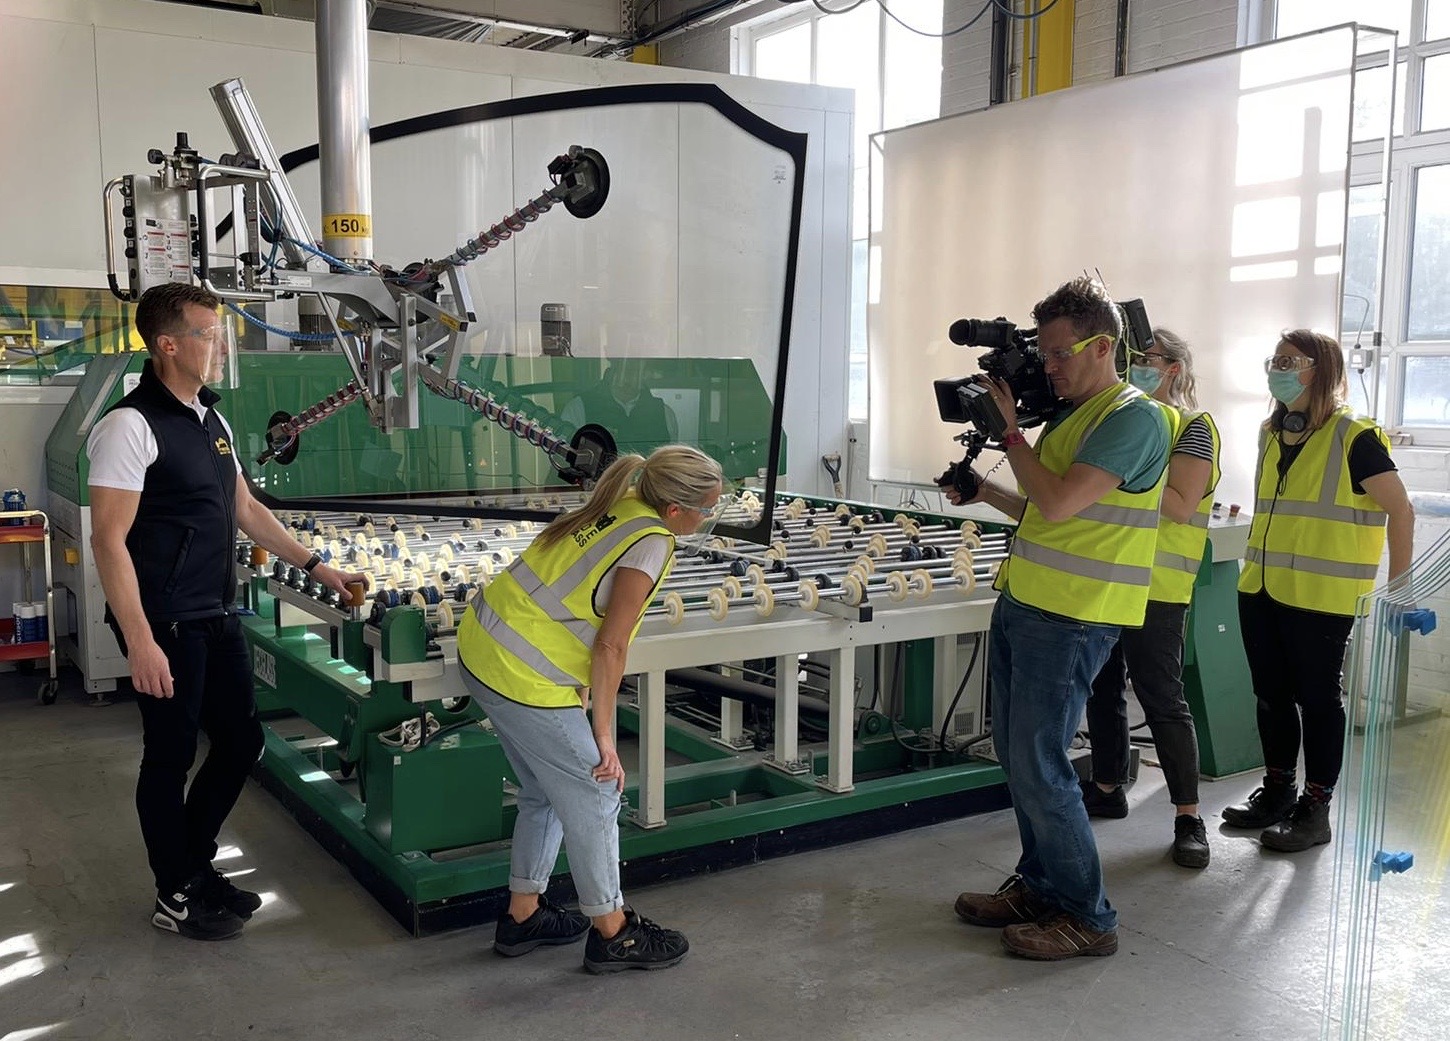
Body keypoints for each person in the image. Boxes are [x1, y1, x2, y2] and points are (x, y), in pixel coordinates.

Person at [88, 282, 364, 941]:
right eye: (209, 334)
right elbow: (107, 540)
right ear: (168, 344)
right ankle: (176, 892)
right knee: (170, 756)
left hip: (216, 612)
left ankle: (191, 864)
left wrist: (318, 566)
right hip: (165, 622)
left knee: (242, 741)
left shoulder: (211, 421)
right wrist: (140, 639)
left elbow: (245, 508)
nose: (220, 346)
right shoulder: (130, 426)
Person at [946, 277, 1171, 960]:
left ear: (1103, 346)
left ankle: (1087, 914)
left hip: (1074, 616)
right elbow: (1045, 510)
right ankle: (1039, 884)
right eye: (1042, 353)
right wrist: (985, 489)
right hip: (1027, 602)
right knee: (1018, 758)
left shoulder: (1133, 418)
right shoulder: (1073, 417)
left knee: (1042, 763)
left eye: (1058, 353)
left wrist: (1010, 432)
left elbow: (1061, 502)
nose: (1047, 366)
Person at [455, 444, 726, 973]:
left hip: (484, 645)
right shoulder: (652, 541)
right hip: (524, 674)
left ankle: (523, 916)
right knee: (599, 791)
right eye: (706, 510)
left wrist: (579, 691)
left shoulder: (625, 501)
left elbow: (575, 598)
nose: (708, 518)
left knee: (544, 790)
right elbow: (611, 644)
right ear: (675, 509)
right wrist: (604, 735)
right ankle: (613, 932)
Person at [1223, 330, 1414, 851]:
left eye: (1290, 362)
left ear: (1321, 370)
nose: (1277, 370)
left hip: (1322, 596)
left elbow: (1401, 510)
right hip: (1261, 586)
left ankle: (1315, 808)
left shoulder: (1355, 437)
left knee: (1318, 700)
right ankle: (1278, 791)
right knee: (1270, 695)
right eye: (1275, 360)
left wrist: (1399, 588)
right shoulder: (1271, 432)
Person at [1082, 328, 1219, 869]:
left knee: (1162, 698)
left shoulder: (1193, 427)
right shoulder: (1121, 419)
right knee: (1102, 687)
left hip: (1158, 588)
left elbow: (1181, 505)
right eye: (1131, 356)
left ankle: (1188, 817)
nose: (1137, 365)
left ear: (1175, 369)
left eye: (1149, 358)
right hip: (1109, 576)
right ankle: (1108, 787)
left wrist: (1122, 467)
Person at [561, 358, 678, 455]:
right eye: (623, 366)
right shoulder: (578, 408)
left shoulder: (665, 414)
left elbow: (670, 463)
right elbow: (565, 459)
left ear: (645, 372)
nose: (628, 375)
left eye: (635, 368)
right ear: (613, 365)